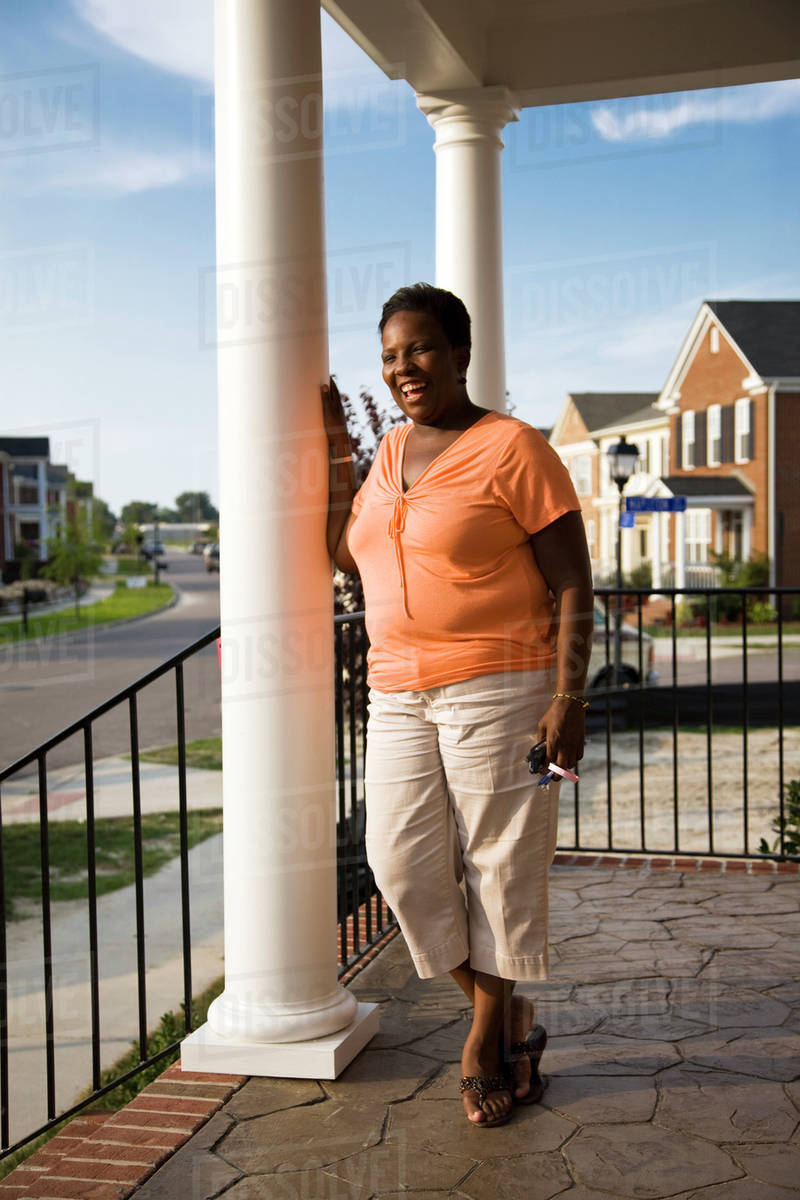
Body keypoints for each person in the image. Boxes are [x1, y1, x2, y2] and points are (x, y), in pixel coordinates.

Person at [324, 283, 593, 1127]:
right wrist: (337, 446)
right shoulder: (389, 455)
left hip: (504, 686)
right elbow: (348, 551)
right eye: (390, 356)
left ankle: (483, 1040)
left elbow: (573, 579)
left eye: (420, 349)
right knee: (399, 864)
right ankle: (506, 1012)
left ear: (461, 352)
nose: (403, 368)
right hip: (399, 691)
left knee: (500, 865)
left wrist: (570, 696)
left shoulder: (513, 447)